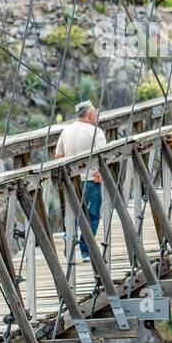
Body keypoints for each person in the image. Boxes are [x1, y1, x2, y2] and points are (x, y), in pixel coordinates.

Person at [54, 100, 107, 261]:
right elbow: (102, 156)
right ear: (90, 114)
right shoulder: (95, 132)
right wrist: (99, 173)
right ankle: (86, 251)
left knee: (75, 213)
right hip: (90, 179)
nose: (96, 116)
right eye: (95, 113)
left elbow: (58, 156)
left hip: (71, 181)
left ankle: (68, 236)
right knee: (92, 216)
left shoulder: (66, 131)